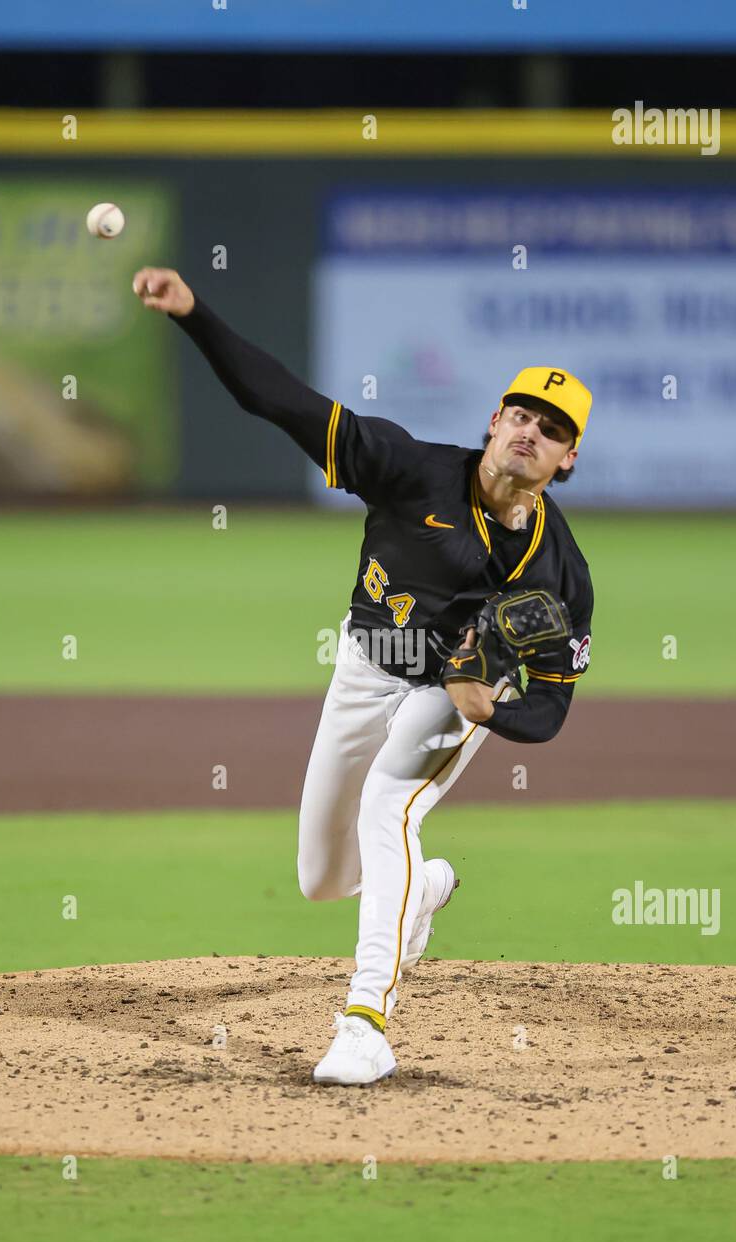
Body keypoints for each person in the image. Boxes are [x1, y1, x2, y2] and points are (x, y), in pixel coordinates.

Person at [133, 267, 594, 1086]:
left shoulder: (561, 571)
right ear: (493, 421)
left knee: (389, 805)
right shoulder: (407, 467)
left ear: (567, 459)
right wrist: (194, 314)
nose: (530, 431)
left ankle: (366, 1024)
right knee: (321, 878)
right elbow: (279, 400)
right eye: (520, 413)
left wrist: (486, 711)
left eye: (551, 428)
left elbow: (551, 705)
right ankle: (426, 886)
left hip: (442, 702)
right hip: (361, 668)